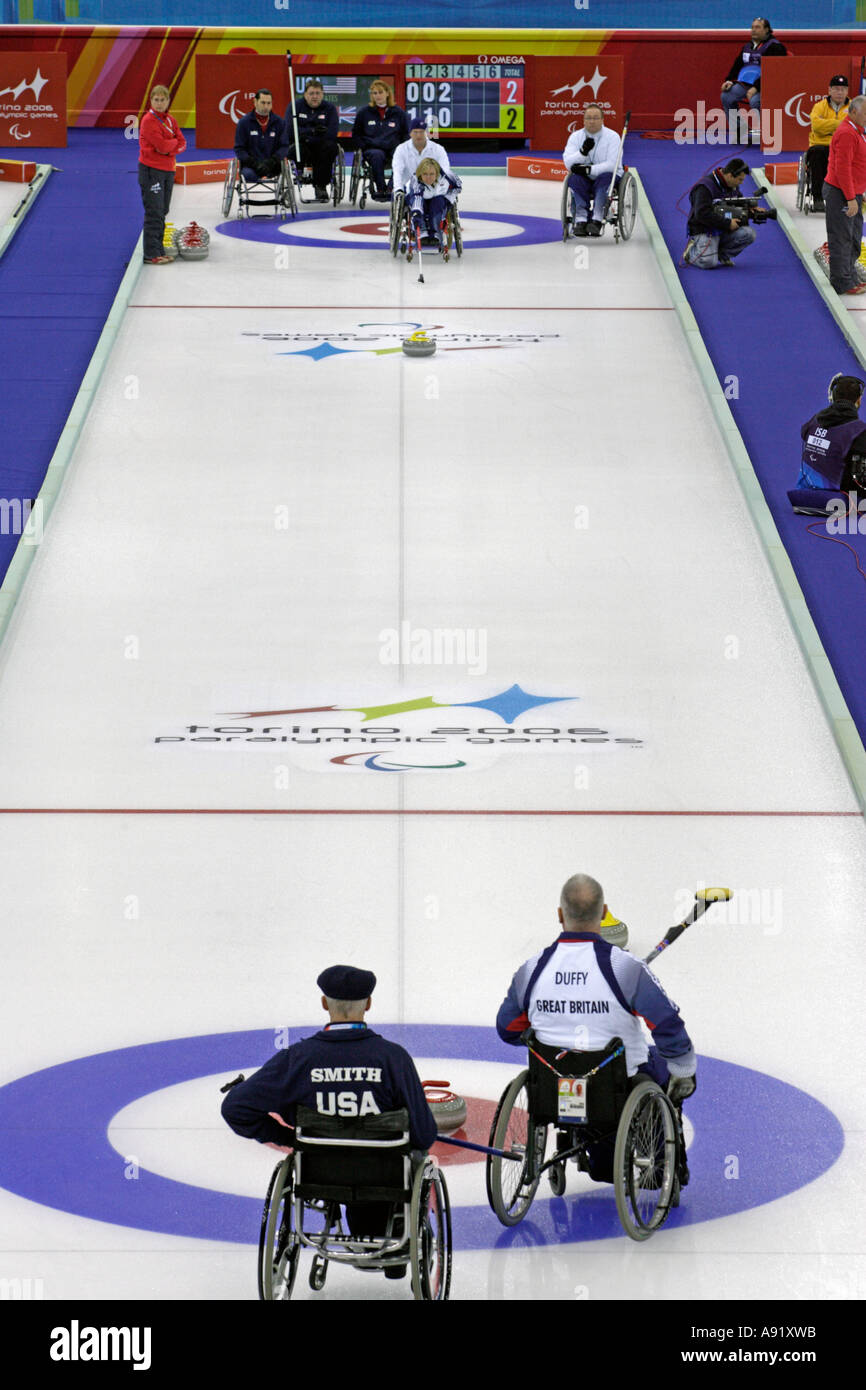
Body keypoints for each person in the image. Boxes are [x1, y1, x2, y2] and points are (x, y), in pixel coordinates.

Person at [222, 964, 437, 1264]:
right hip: (385, 1181)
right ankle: (402, 1235)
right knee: (418, 1154)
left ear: (325, 1003)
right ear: (369, 1004)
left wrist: (290, 1138)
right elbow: (425, 1133)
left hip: (320, 1174)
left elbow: (235, 1108)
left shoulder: (298, 1059)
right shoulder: (394, 1059)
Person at [496, 873, 695, 1184]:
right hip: (617, 1086)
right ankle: (660, 1165)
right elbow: (667, 1023)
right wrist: (683, 1067)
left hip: (551, 1085)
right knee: (668, 1066)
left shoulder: (531, 970)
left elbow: (507, 1028)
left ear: (560, 915)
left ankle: (599, 1156)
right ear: (604, 914)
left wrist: (555, 1026)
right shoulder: (626, 968)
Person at [138, 84, 186, 265]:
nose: (159, 103)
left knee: (163, 211)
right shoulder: (148, 121)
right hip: (151, 171)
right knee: (154, 212)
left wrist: (170, 147)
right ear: (151, 101)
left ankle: (159, 249)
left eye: (163, 100)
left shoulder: (171, 120)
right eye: (156, 100)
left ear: (168, 101)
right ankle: (151, 254)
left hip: (168, 171)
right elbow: (162, 146)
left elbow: (182, 143)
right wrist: (171, 146)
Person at [823, 94, 866, 297]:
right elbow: (843, 169)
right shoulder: (847, 133)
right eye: (865, 113)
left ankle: (848, 275)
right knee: (842, 237)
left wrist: (859, 193)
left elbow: (857, 165)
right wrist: (850, 198)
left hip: (851, 192)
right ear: (854, 112)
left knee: (854, 235)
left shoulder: (858, 130)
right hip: (840, 193)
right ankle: (842, 282)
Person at [683, 157, 757, 268]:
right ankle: (691, 253)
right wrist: (727, 223)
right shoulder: (705, 187)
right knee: (708, 263)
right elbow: (702, 214)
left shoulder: (733, 186)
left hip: (722, 229)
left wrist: (750, 210)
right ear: (730, 175)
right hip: (705, 229)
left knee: (748, 234)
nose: (741, 183)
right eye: (740, 179)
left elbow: (738, 204)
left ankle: (721, 255)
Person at [798, 373, 866, 495]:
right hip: (837, 496)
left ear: (832, 397)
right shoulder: (858, 430)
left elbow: (804, 433)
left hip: (804, 492)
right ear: (858, 400)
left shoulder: (814, 421)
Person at [561, 104, 623, 236]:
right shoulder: (576, 137)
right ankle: (581, 218)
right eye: (588, 118)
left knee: (605, 178)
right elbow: (568, 163)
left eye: (595, 118)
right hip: (585, 178)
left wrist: (590, 169)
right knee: (574, 179)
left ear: (602, 120)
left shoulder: (613, 137)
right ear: (583, 120)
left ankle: (597, 218)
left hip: (607, 176)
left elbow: (612, 164)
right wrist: (582, 153)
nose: (592, 121)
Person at [720, 17, 787, 137]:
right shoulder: (747, 47)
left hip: (767, 85)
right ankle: (740, 130)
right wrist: (729, 80)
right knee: (727, 96)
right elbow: (737, 65)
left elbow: (774, 72)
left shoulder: (775, 47)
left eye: (757, 27)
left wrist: (756, 88)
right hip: (747, 84)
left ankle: (770, 132)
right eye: (752, 27)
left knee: (755, 100)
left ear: (766, 30)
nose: (753, 30)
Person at [351, 78, 408, 202]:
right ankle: (381, 189)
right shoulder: (364, 113)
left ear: (387, 93)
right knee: (377, 155)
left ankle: (392, 188)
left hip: (393, 147)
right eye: (374, 93)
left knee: (402, 156)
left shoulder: (399, 113)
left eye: (380, 92)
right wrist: (363, 146)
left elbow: (406, 134)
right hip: (373, 148)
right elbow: (356, 134)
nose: (378, 96)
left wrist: (404, 147)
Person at [288, 78, 340, 202]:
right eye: (311, 93)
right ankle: (301, 173)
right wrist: (311, 132)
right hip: (302, 144)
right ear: (305, 94)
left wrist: (311, 136)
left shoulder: (330, 109)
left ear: (322, 94)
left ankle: (321, 186)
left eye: (317, 93)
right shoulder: (295, 107)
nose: (314, 96)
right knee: (296, 149)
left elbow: (332, 132)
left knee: (330, 148)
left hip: (322, 145)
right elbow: (290, 130)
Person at [806, 75, 850, 212]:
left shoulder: (854, 106)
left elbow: (856, 126)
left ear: (847, 91)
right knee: (817, 153)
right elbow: (817, 126)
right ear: (829, 90)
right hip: (821, 145)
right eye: (836, 89)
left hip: (844, 146)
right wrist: (842, 125)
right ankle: (818, 197)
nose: (840, 92)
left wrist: (828, 126)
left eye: (843, 89)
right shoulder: (819, 106)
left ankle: (849, 197)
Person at [233, 89, 288, 185]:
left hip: (273, 167)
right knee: (248, 175)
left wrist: (271, 162)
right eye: (263, 103)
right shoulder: (244, 123)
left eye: (269, 103)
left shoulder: (280, 123)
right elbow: (239, 149)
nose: (266, 106)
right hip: (251, 167)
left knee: (282, 172)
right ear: (255, 102)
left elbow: (284, 146)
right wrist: (255, 164)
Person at [405, 158, 462, 250]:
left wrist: (449, 197)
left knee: (438, 202)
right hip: (418, 197)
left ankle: (435, 232)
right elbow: (417, 198)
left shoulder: (448, 176)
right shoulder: (416, 181)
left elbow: (458, 186)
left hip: (439, 198)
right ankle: (423, 231)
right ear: (420, 174)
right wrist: (416, 212)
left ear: (437, 173)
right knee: (420, 206)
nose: (428, 177)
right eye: (425, 174)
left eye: (432, 174)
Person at [392, 119, 451, 194]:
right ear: (410, 133)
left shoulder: (438, 149)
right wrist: (398, 189)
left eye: (421, 132)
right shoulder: (401, 149)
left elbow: (445, 171)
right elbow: (397, 172)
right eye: (415, 132)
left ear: (426, 133)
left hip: (432, 188)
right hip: (407, 190)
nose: (419, 135)